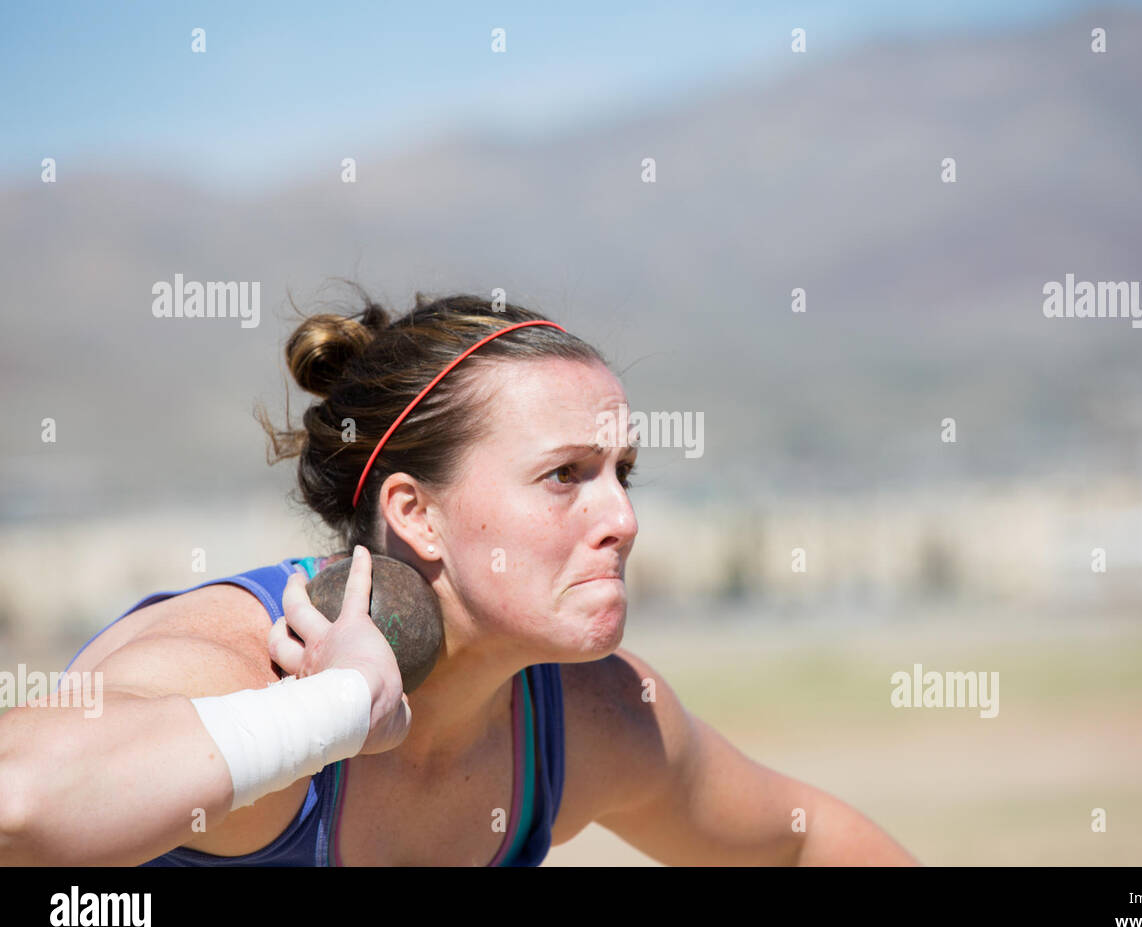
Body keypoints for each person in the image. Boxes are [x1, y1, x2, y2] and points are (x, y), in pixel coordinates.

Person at [0, 288, 917, 866]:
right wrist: (339, 707)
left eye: (622, 475)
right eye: (566, 476)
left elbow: (801, 847)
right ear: (415, 515)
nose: (623, 520)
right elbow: (20, 804)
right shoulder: (249, 666)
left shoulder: (591, 722)